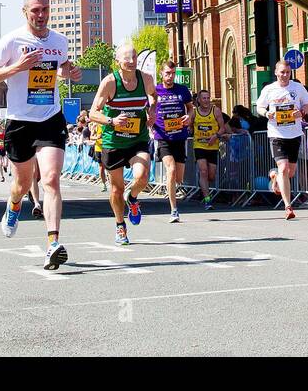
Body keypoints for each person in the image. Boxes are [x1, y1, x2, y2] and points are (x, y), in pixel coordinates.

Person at [0, 0, 82, 270]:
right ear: (25, 12)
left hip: (50, 118)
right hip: (20, 121)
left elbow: (61, 67)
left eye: (45, 10)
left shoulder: (59, 41)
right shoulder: (11, 41)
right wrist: (16, 67)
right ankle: (13, 206)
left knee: (50, 179)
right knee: (23, 184)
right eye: (36, 10)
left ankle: (53, 244)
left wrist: (70, 72)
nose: (41, 15)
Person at [89, 43, 156, 245]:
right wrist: (112, 121)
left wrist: (152, 111)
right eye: (127, 58)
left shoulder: (145, 79)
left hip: (138, 138)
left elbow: (154, 96)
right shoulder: (110, 82)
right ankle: (120, 226)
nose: (131, 61)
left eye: (134, 57)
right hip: (113, 141)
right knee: (116, 189)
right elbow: (93, 113)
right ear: (117, 61)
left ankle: (133, 198)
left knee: (143, 176)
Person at [254, 60, 308, 220]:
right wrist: (267, 114)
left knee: (290, 172)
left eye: (287, 72)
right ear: (276, 72)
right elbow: (259, 107)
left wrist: (301, 112)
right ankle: (288, 207)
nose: (285, 75)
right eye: (282, 72)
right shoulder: (269, 89)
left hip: (294, 134)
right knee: (284, 168)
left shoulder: (297, 87)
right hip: (276, 133)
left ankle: (274, 177)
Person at [152, 61, 195, 223]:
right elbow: (148, 109)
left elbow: (190, 108)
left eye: (172, 73)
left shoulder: (182, 90)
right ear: (161, 73)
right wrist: (151, 122)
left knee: (179, 177)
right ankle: (174, 210)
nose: (170, 76)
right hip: (163, 136)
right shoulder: (155, 91)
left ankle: (174, 190)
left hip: (179, 136)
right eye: (167, 73)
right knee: (170, 170)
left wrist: (188, 117)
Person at [190, 88, 226, 208]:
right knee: (203, 171)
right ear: (198, 100)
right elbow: (190, 127)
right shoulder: (195, 113)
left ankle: (204, 188)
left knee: (211, 175)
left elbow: (222, 128)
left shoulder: (215, 111)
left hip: (212, 146)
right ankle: (207, 199)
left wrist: (216, 136)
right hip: (199, 145)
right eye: (203, 98)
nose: (206, 100)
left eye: (207, 98)